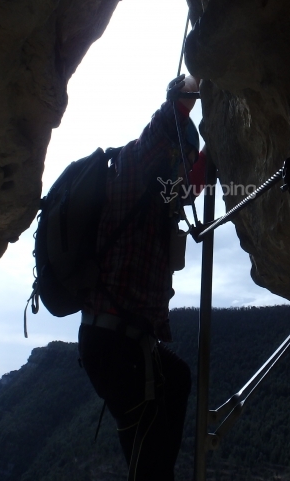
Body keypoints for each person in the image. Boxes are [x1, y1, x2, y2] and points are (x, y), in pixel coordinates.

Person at [78, 75, 206, 481]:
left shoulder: (159, 190)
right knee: (149, 463)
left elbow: (189, 187)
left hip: (124, 342)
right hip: (118, 344)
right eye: (182, 155)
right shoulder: (134, 166)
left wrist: (213, 153)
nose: (183, 167)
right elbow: (168, 117)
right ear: (170, 151)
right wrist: (197, 78)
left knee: (178, 379)